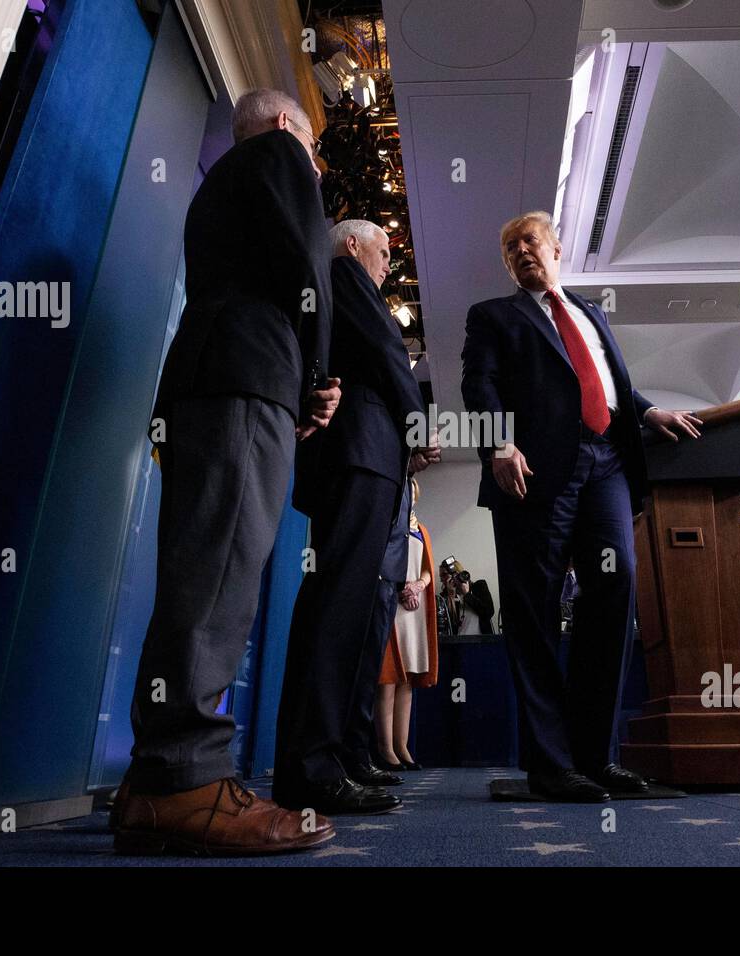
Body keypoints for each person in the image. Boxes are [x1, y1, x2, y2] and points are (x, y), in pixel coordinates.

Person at [116, 89, 341, 856]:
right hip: (247, 378)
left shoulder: (222, 185)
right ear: (285, 127)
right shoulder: (278, 156)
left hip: (210, 379)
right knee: (218, 582)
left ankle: (158, 781)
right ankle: (184, 780)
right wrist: (318, 371)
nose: (316, 164)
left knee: (199, 576)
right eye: (314, 146)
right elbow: (311, 262)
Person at [460, 210, 702, 802]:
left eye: (530, 240)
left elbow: (609, 382)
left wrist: (648, 411)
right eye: (510, 246)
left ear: (557, 249)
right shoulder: (494, 316)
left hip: (609, 465)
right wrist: (499, 443)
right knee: (534, 611)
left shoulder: (591, 311)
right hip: (533, 472)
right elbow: (479, 384)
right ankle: (550, 763)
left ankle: (595, 758)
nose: (521, 251)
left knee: (614, 595)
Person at [273, 220, 438, 815]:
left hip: (370, 458)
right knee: (336, 607)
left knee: (348, 611)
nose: (389, 263)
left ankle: (333, 758)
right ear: (351, 245)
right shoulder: (344, 273)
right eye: (384, 250)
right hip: (357, 455)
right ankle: (310, 768)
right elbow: (390, 352)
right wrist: (419, 423)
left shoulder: (340, 283)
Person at [376, 479, 439, 772]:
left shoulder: (421, 529)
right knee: (387, 680)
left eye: (411, 495)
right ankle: (384, 748)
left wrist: (417, 585)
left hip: (413, 608)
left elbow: (428, 569)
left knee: (407, 680)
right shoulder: (389, 526)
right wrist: (401, 586)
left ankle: (402, 747)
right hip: (392, 603)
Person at [437, 557, 494, 637]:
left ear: (456, 574)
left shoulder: (479, 586)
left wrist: (467, 594)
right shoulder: (443, 597)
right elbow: (447, 625)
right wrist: (451, 597)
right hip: (459, 643)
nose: (441, 580)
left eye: (444, 575)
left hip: (481, 642)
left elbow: (488, 612)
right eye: (440, 576)